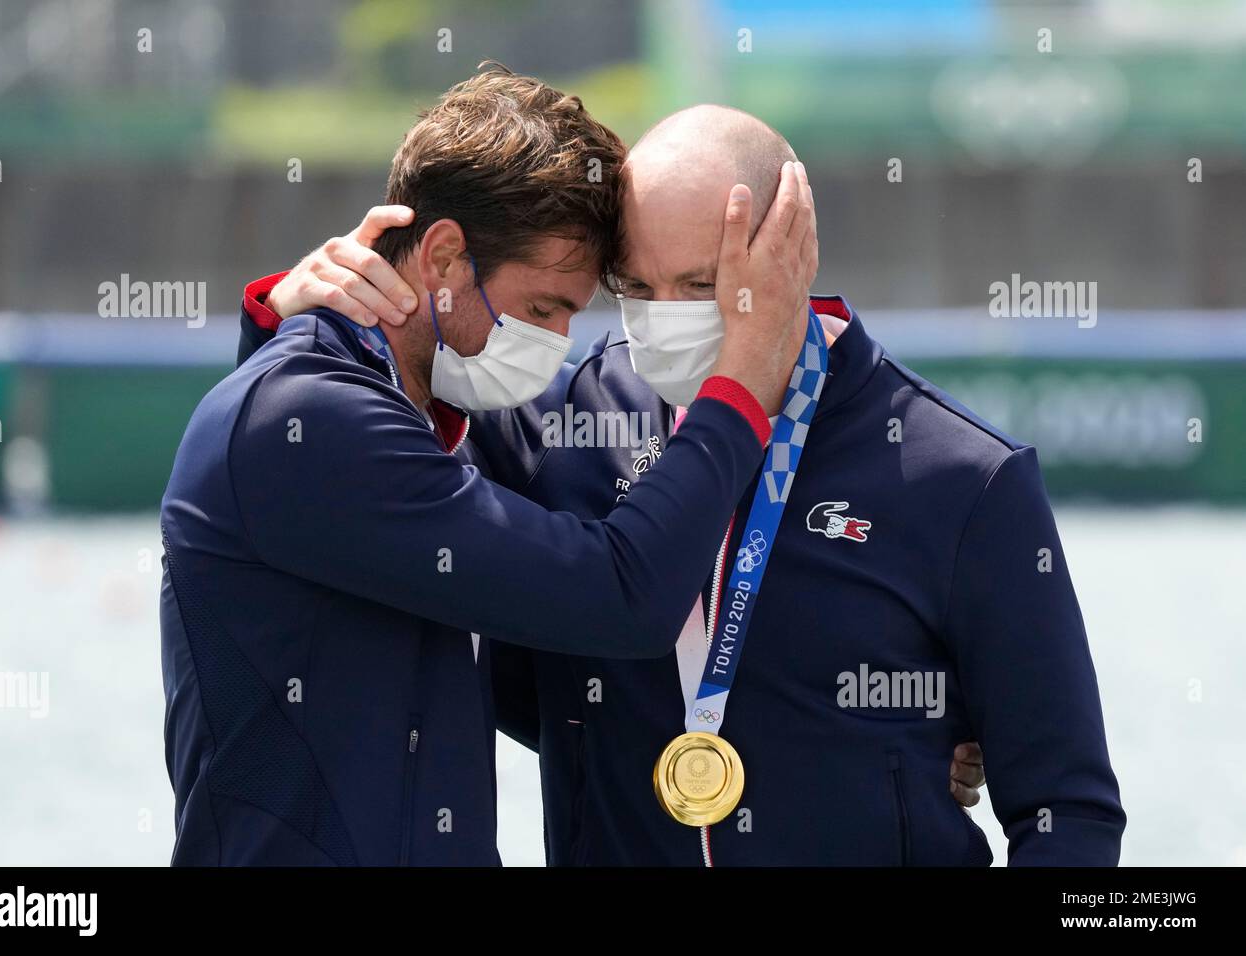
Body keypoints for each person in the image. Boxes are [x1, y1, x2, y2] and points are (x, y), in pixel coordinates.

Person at [237, 92, 1123, 865]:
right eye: (637, 289)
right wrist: (282, 322)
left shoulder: (963, 476)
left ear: (789, 258)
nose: (663, 322)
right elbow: (353, 506)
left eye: (702, 286)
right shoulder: (555, 425)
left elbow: (1068, 812)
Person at [159, 69, 817, 865]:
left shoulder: (401, 414)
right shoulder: (311, 416)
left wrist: (901, 730)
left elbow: (559, 680)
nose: (559, 344)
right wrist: (744, 378)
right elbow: (622, 596)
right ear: (442, 255)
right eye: (544, 309)